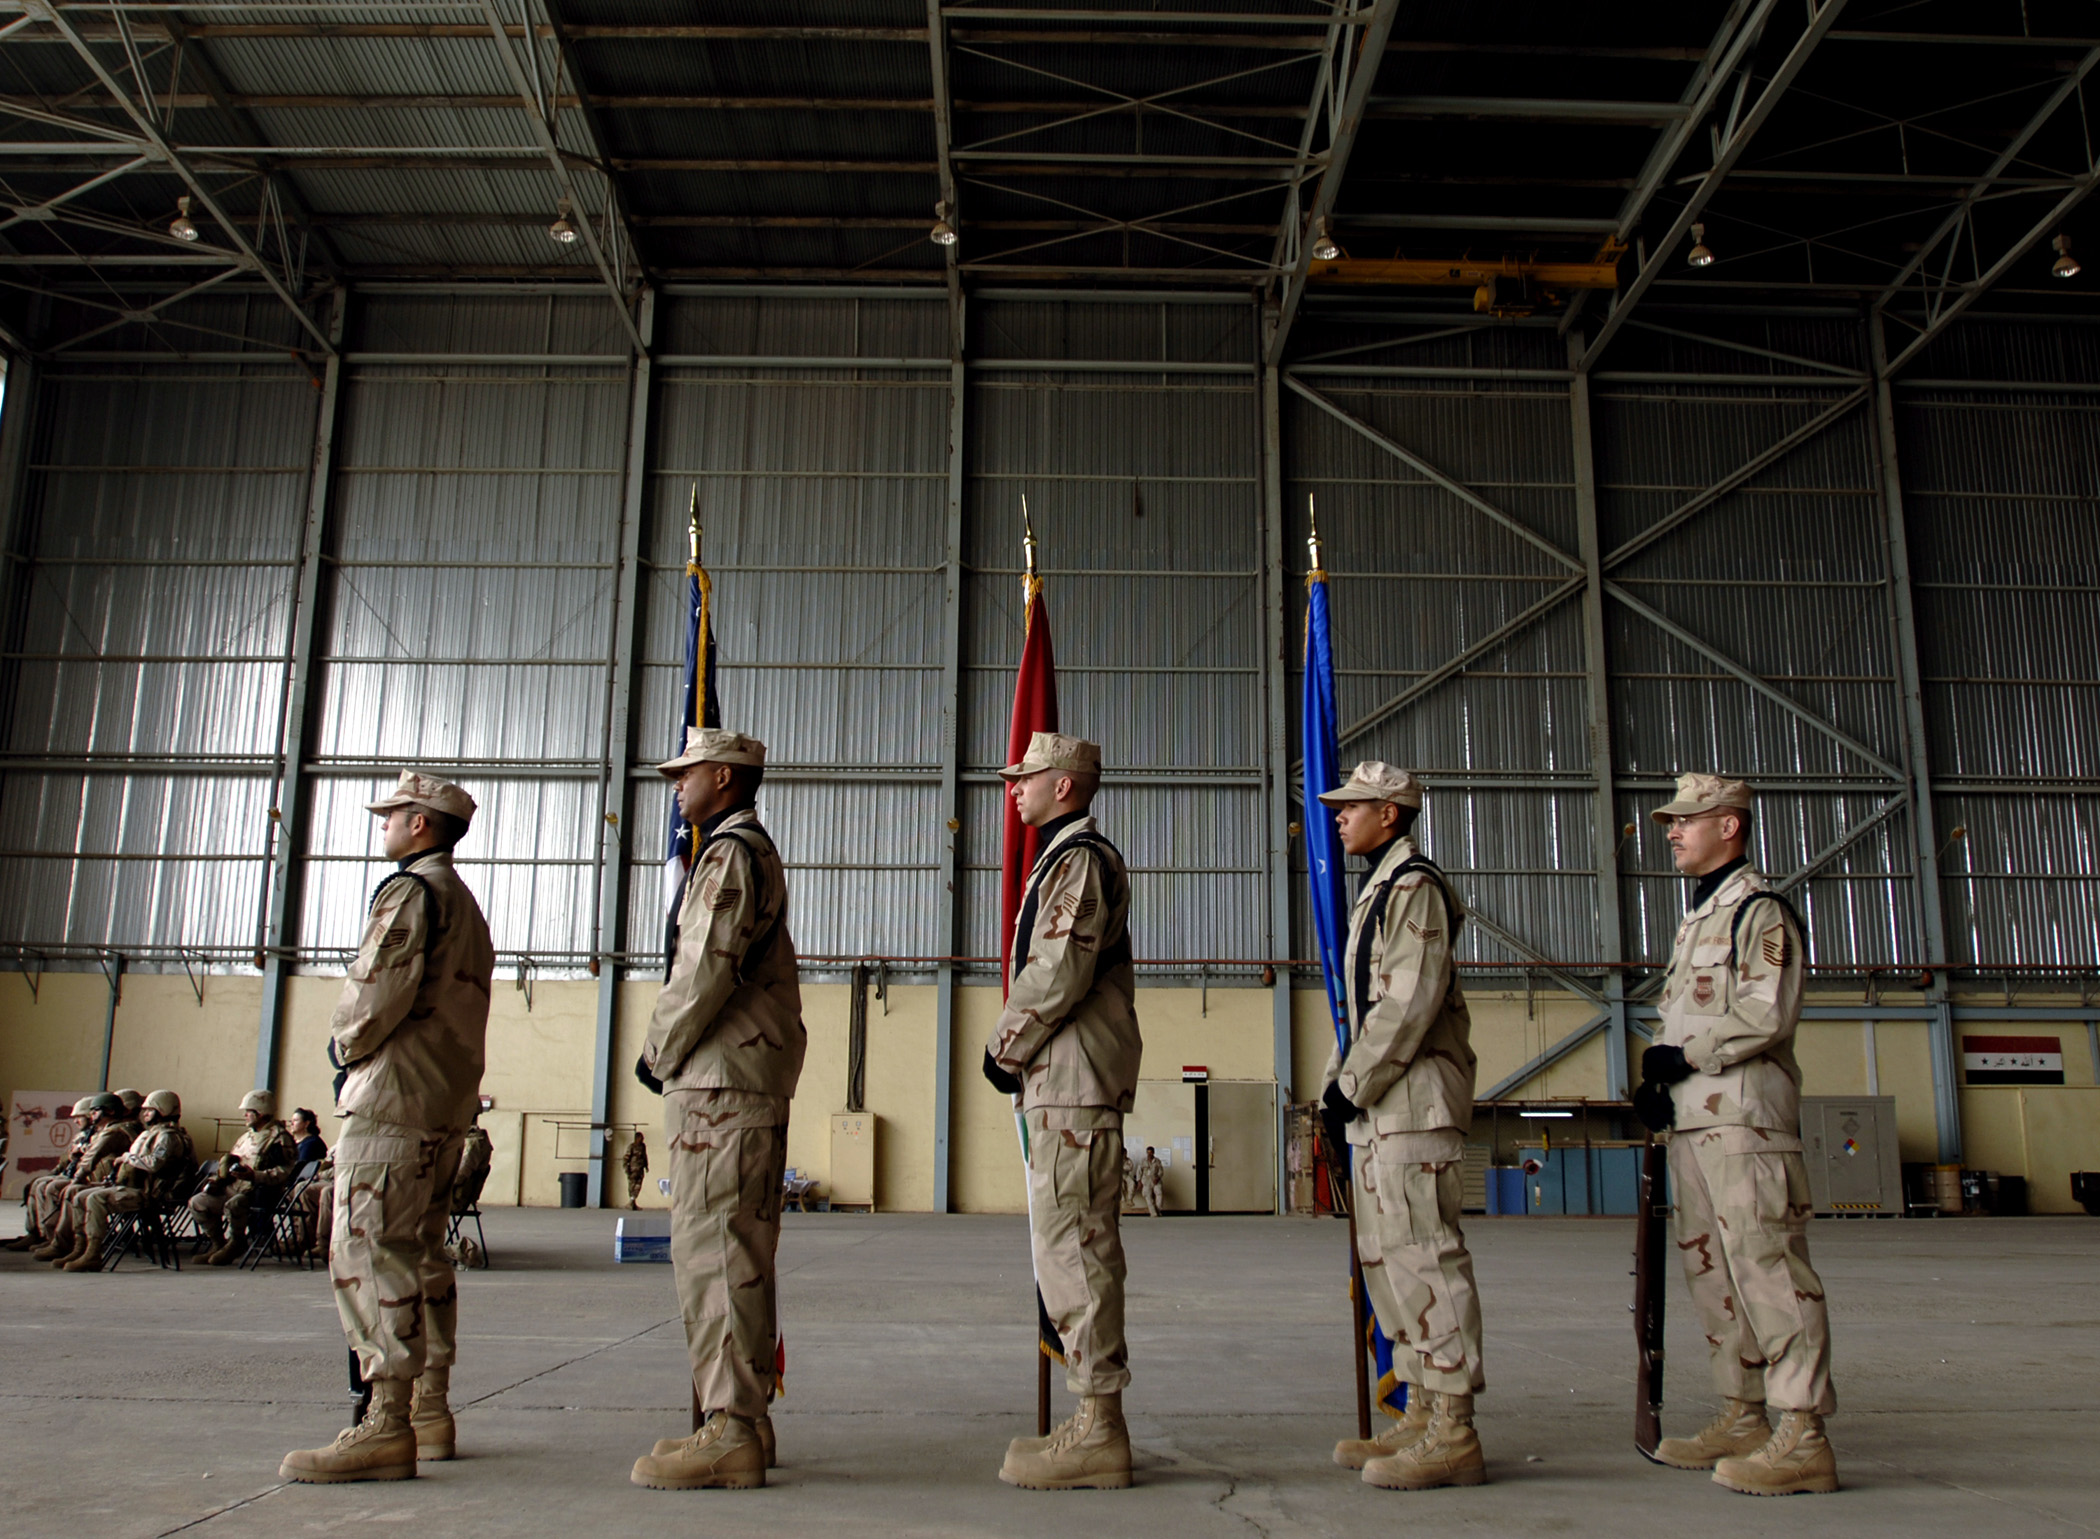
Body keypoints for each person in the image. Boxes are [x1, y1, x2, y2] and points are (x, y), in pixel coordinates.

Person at [279, 771, 494, 1485]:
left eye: (394, 814)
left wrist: (342, 1049)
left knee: (369, 1250)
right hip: (442, 1103)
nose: (385, 825)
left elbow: (374, 992)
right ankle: (429, 1408)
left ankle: (385, 1420)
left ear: (422, 824)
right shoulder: (463, 903)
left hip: (394, 1100)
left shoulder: (410, 893)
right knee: (424, 1252)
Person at [1632, 773, 1836, 1497]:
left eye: (1689, 819)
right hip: (1698, 1121)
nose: (1673, 831)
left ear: (1731, 825)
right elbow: (1686, 1020)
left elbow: (1765, 1013)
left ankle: (1803, 1432)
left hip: (1746, 1123)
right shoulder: (1697, 920)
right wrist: (1663, 1084)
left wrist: (1681, 1057)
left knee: (1768, 1270)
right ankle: (1744, 1412)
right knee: (1712, 1274)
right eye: (1673, 821)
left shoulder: (1760, 910)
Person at [629, 728, 806, 1492]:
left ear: (726, 778)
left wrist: (656, 1050)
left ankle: (732, 1425)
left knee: (716, 1251)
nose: (676, 783)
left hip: (723, 1081)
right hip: (736, 1076)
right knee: (730, 1248)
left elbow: (704, 965)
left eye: (688, 771)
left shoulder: (731, 854)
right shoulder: (740, 848)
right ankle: (741, 1418)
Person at [1316, 761, 1486, 1490]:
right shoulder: (1378, 890)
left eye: (1353, 806)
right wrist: (1334, 1088)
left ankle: (1454, 1425)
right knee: (1389, 1259)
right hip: (1380, 1107)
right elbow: (1359, 1007)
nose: (1339, 817)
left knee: (1424, 1255)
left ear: (1391, 812)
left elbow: (1408, 1003)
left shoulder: (1414, 888)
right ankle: (1419, 1405)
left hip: (1412, 1104)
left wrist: (1351, 1085)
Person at [982, 731, 1141, 1491]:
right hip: (1062, 1079)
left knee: (1076, 1250)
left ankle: (1099, 1425)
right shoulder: (1062, 858)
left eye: (1029, 776)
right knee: (1066, 1247)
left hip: (1074, 1081)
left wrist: (1004, 1044)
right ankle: (1091, 1417)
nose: (1016, 787)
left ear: (1066, 787)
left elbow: (1059, 966)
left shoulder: (1079, 860)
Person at [68, 1089, 196, 1272]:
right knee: (80, 1195)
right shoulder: (149, 1134)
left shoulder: (168, 1137)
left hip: (146, 1193)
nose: (145, 1114)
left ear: (164, 1111)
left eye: (150, 1110)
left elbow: (155, 1164)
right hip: (129, 1186)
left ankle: (93, 1253)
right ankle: (81, 1247)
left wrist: (128, 1158)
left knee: (94, 1199)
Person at [191, 1089, 298, 1265]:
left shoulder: (279, 1138)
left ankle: (237, 1242)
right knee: (198, 1202)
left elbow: (285, 1171)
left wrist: (255, 1176)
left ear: (261, 1113)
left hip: (257, 1193)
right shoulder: (246, 1137)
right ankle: (218, 1243)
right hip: (234, 1188)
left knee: (235, 1204)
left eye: (249, 1111)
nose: (245, 1115)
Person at [35, 1094, 139, 1264]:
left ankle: (65, 1243)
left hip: (117, 1183)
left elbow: (92, 1157)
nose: (92, 1116)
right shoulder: (111, 1129)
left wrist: (77, 1177)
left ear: (110, 1111)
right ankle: (75, 1245)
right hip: (112, 1180)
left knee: (71, 1190)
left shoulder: (114, 1131)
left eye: (96, 1111)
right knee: (69, 1190)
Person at [9, 1101, 96, 1251]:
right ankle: (35, 1232)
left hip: (86, 1177)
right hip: (72, 1173)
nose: (75, 1121)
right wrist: (56, 1172)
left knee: (51, 1187)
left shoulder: (100, 1136)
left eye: (79, 1117)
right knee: (37, 1183)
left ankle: (53, 1236)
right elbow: (65, 1160)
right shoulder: (82, 1136)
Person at [623, 1130, 649, 1211]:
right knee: (632, 1186)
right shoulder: (631, 1147)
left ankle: (632, 1203)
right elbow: (626, 1158)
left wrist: (646, 1166)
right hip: (633, 1170)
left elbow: (645, 1156)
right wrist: (626, 1169)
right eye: (641, 1138)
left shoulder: (643, 1146)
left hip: (640, 1170)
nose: (642, 1139)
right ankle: (631, 1203)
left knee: (638, 1186)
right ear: (636, 1138)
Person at [1136, 1146, 1165, 1218]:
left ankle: (1158, 1210)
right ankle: (1153, 1213)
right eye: (1148, 1152)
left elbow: (1161, 1171)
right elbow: (1139, 1172)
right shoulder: (1143, 1161)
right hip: (1146, 1180)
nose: (1149, 1154)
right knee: (1148, 1196)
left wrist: (1158, 1178)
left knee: (1159, 1193)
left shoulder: (1157, 1161)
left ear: (1153, 1153)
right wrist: (1139, 1182)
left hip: (1155, 1179)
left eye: (1151, 1152)